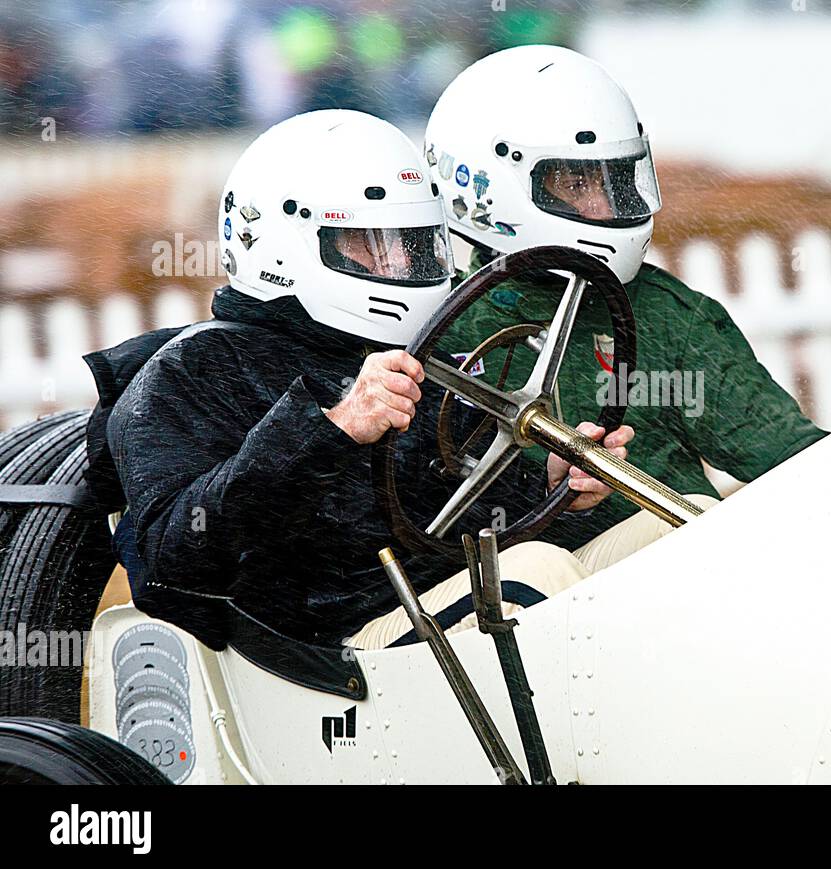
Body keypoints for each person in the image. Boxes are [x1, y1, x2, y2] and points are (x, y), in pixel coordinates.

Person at [105, 109, 693, 650]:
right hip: (328, 652)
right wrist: (330, 431)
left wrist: (555, 489)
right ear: (286, 245)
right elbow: (169, 566)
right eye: (369, 246)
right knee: (529, 573)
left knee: (692, 527)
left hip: (448, 606)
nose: (398, 268)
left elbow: (468, 508)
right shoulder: (190, 372)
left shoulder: (423, 355)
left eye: (411, 247)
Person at [422, 45, 826, 552]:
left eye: (616, 180)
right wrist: (544, 492)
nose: (605, 205)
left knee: (696, 516)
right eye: (576, 182)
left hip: (688, 584)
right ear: (489, 186)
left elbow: (802, 464)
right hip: (521, 605)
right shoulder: (432, 330)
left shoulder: (665, 316)